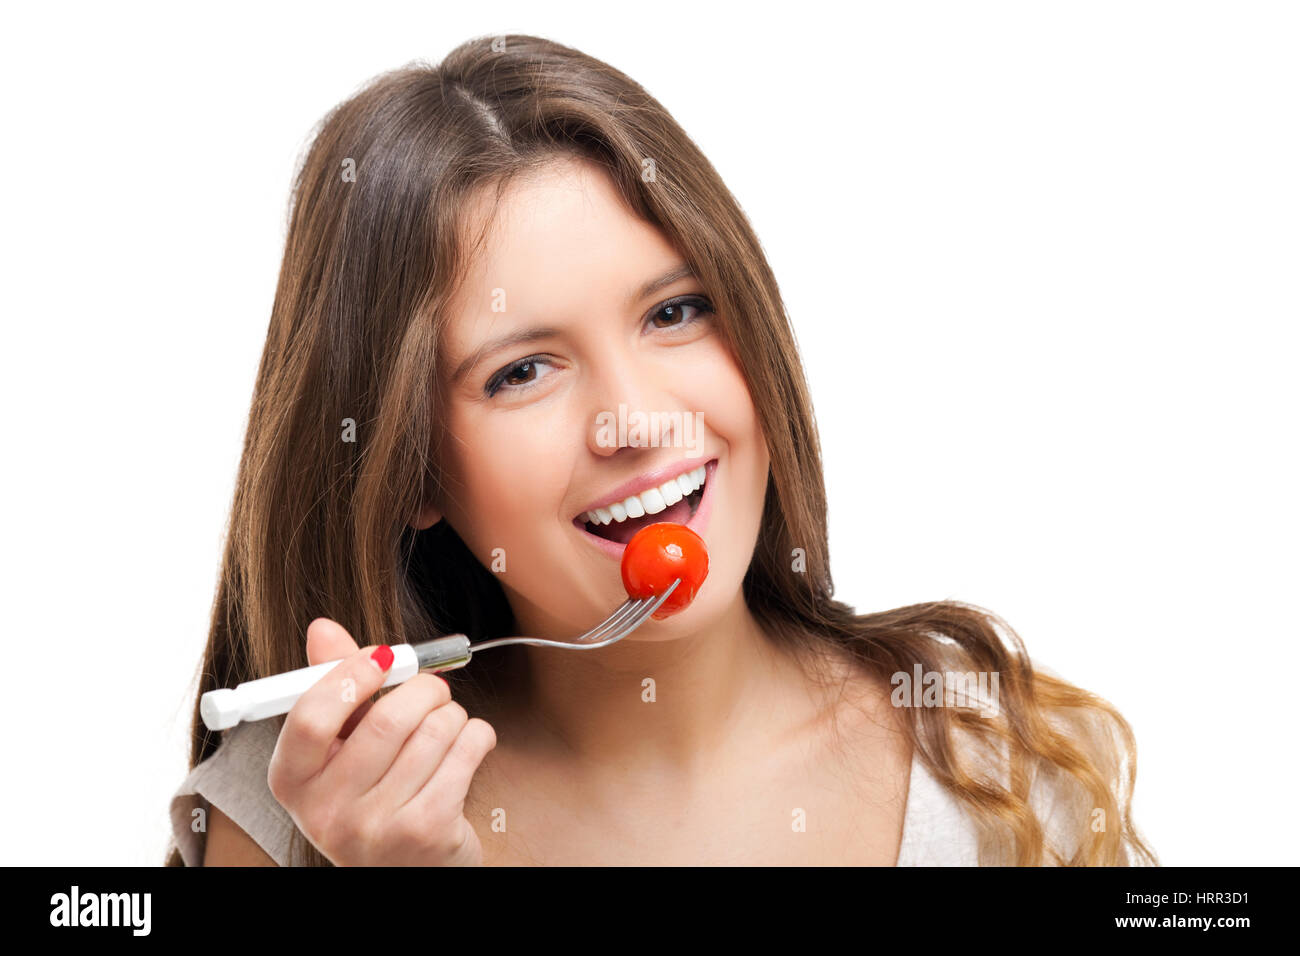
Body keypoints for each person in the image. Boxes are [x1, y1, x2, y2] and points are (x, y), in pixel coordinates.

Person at [168, 33, 1157, 867]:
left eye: (676, 312)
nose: (637, 419)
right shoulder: (301, 806)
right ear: (412, 470)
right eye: (522, 372)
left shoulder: (1003, 768)